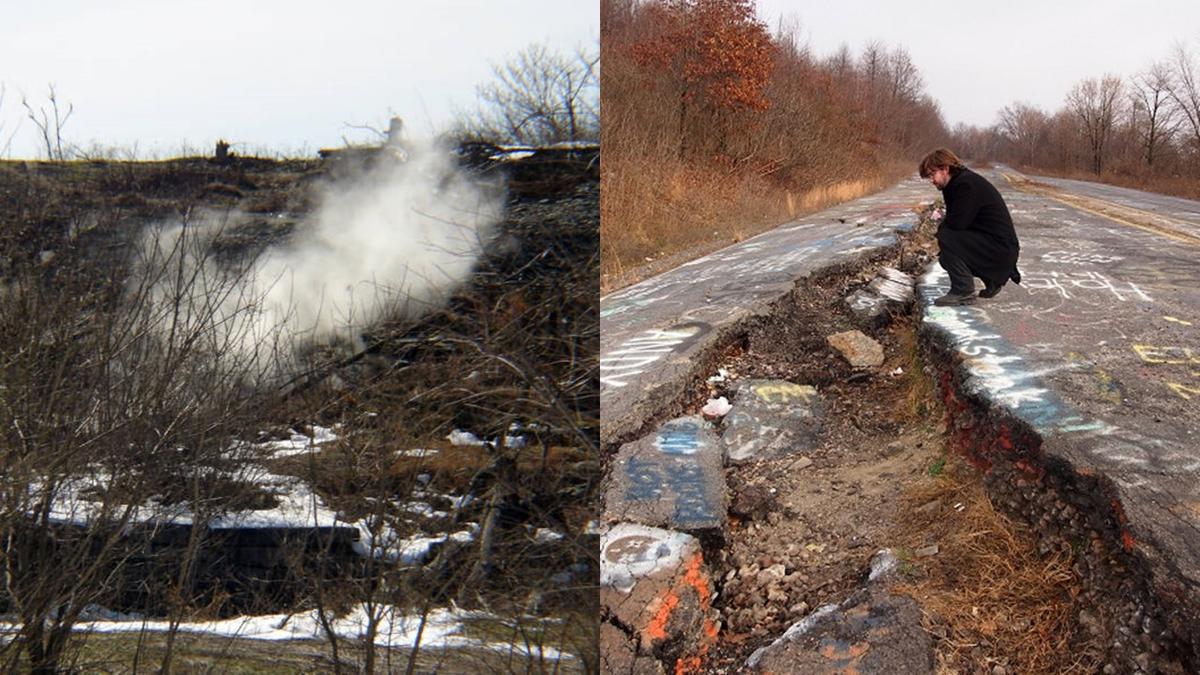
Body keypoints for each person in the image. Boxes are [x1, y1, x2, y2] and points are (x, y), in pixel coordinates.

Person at [919, 148, 1021, 306]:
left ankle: (963, 291)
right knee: (946, 257)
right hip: (999, 247)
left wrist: (942, 226)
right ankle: (992, 280)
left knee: (947, 236)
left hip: (1001, 248)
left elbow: (958, 223)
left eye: (932, 174)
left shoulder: (966, 184)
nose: (932, 180)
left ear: (945, 168)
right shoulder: (956, 183)